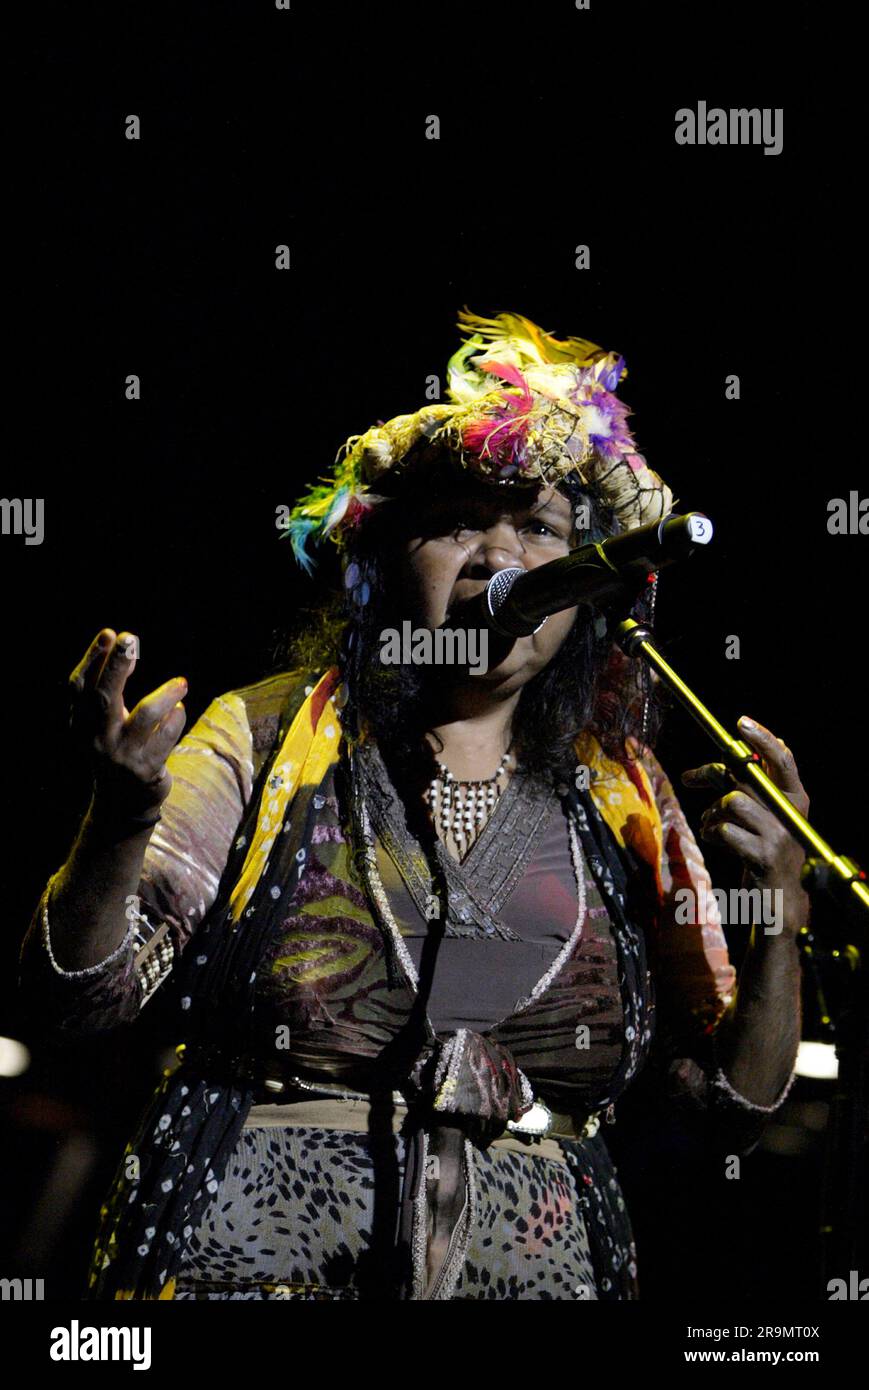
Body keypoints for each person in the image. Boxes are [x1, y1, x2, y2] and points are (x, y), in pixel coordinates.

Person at [18, 309, 810, 1300]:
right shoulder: (265, 735)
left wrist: (775, 910)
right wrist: (124, 815)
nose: (497, 559)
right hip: (254, 1253)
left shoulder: (623, 792)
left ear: (584, 590)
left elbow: (729, 1102)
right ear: (388, 559)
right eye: (456, 524)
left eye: (537, 527)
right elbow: (75, 997)